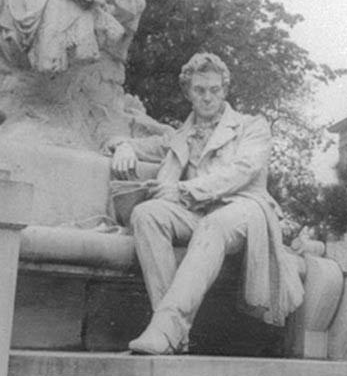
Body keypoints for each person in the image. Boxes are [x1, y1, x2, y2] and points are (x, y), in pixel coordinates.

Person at [106, 52, 304, 354]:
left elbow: (241, 172)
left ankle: (166, 328)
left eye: (214, 90)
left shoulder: (252, 126)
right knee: (147, 213)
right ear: (188, 93)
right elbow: (132, 143)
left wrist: (183, 190)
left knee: (213, 225)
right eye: (200, 91)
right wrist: (122, 146)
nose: (208, 97)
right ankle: (173, 333)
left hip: (244, 208)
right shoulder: (178, 136)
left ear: (224, 90)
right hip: (198, 213)